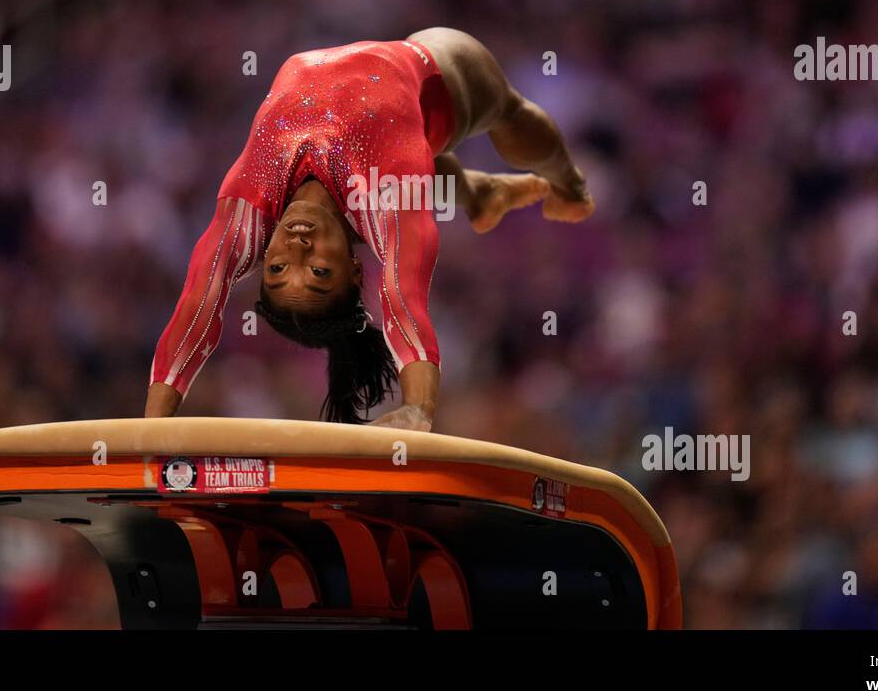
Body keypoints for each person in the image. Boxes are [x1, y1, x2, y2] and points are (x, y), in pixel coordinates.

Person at [144, 28, 592, 431]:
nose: (298, 247)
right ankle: (565, 180)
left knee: (411, 162)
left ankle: (482, 193)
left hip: (394, 145)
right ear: (356, 271)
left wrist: (153, 422)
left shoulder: (249, 205)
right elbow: (404, 295)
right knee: (504, 108)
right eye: (319, 272)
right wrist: (419, 407)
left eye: (279, 268)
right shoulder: (389, 198)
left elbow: (198, 304)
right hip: (430, 81)